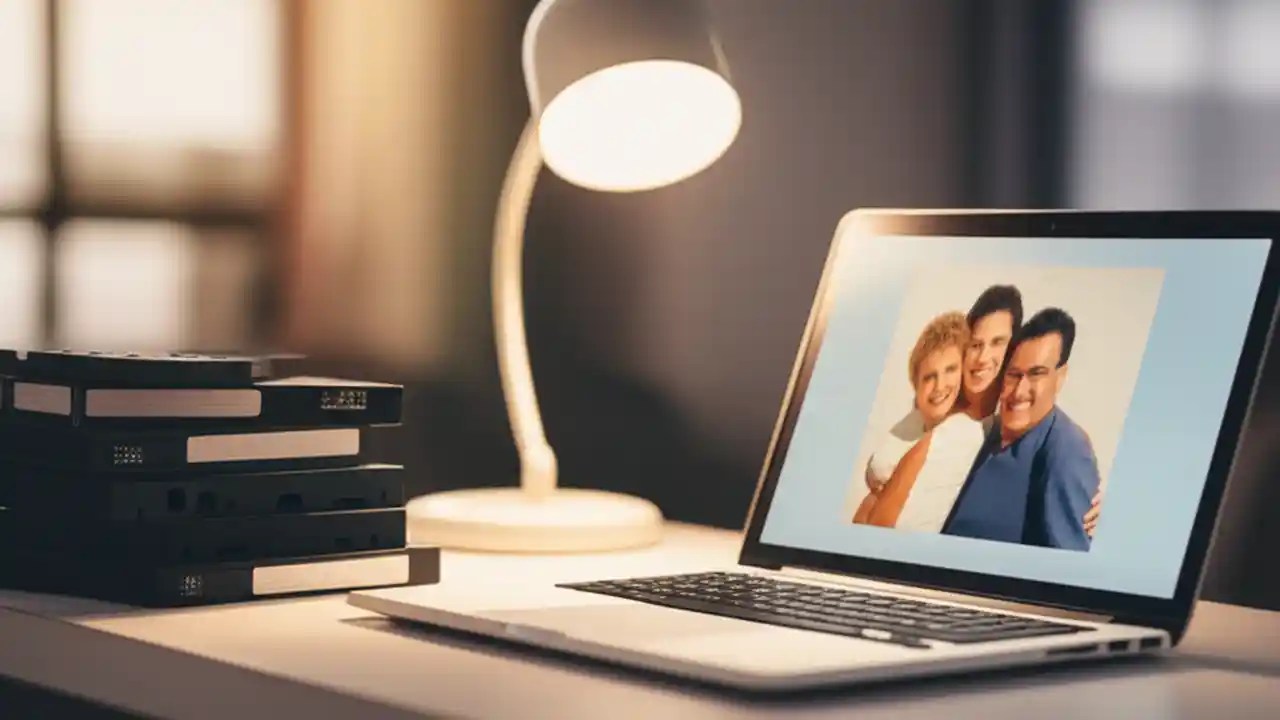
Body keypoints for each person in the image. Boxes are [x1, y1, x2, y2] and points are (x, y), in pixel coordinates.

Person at [942, 308, 1101, 550]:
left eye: (1037, 374)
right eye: (1014, 375)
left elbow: (1068, 571)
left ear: (1060, 377)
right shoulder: (985, 434)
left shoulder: (1065, 449)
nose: (1019, 391)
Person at [853, 313, 986, 530]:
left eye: (950, 369)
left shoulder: (961, 433)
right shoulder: (915, 423)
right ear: (916, 384)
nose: (940, 385)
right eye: (929, 377)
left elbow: (881, 524)